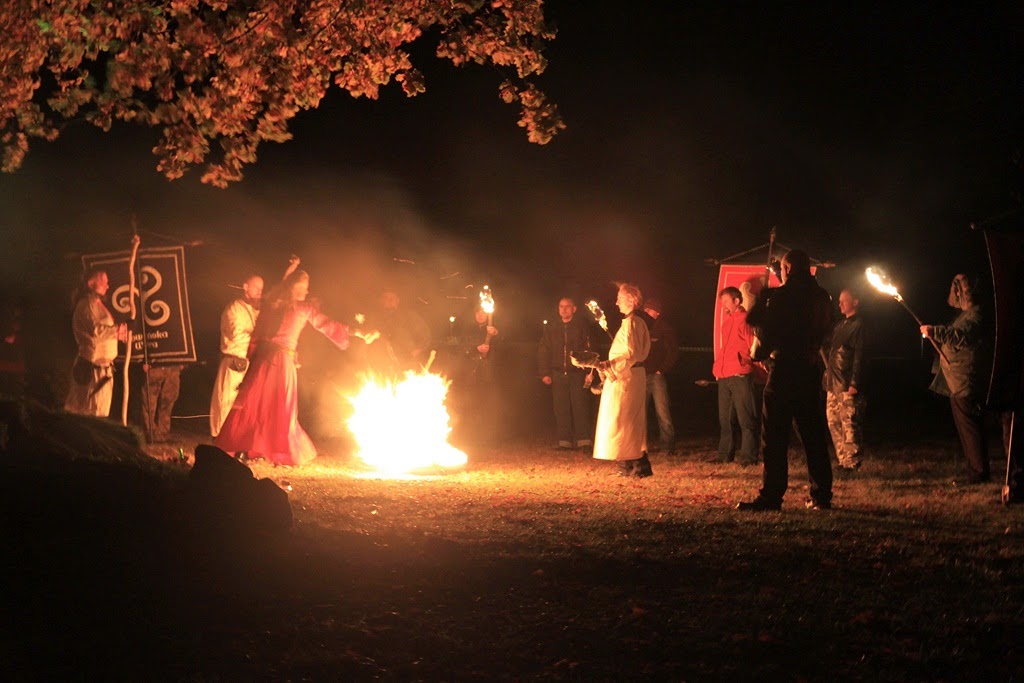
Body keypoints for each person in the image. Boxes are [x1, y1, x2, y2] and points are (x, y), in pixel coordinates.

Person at [216, 267, 374, 466]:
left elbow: (258, 335)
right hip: (282, 363)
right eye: (305, 287)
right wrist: (358, 331)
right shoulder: (303, 308)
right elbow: (327, 325)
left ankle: (243, 449)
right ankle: (277, 452)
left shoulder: (272, 305)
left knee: (255, 406)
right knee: (281, 409)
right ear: (297, 287)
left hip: (263, 361)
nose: (307, 291)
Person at [738, 250, 833, 510]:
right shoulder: (822, 296)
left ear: (788, 268)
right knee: (812, 434)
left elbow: (767, 335)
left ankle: (771, 496)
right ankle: (821, 494)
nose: (780, 272)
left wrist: (759, 325)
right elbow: (827, 329)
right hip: (810, 369)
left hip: (784, 370)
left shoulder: (782, 296)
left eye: (781, 268)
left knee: (775, 437)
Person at [574, 283, 652, 477]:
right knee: (623, 419)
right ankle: (630, 464)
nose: (616, 302)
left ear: (632, 300)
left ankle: (637, 465)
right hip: (626, 376)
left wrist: (605, 366)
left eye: (620, 297)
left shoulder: (634, 322)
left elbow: (631, 354)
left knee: (624, 419)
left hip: (627, 377)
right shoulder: (631, 322)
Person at [921, 273, 993, 484]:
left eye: (957, 290)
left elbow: (961, 336)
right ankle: (977, 470)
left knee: (971, 429)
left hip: (966, 382)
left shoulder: (976, 314)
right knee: (968, 429)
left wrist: (935, 331)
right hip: (957, 381)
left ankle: (978, 473)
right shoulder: (965, 314)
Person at [64, 267, 128, 418]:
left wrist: (121, 333)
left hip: (104, 368)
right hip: (93, 368)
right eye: (103, 282)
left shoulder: (98, 304)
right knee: (90, 409)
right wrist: (117, 330)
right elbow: (95, 332)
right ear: (91, 283)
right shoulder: (86, 305)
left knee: (99, 409)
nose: (108, 285)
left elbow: (105, 332)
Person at [538, 297, 596, 450]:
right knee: (560, 407)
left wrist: (590, 370)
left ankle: (584, 440)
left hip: (577, 373)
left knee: (580, 406)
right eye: (561, 306)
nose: (563, 309)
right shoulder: (552, 327)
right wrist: (545, 372)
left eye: (567, 307)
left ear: (574, 309)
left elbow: (590, 349)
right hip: (558, 373)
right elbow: (544, 349)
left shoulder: (582, 326)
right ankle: (564, 442)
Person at [210, 274, 264, 437]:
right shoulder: (234, 308)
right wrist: (257, 339)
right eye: (256, 288)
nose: (260, 292)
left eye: (261, 289)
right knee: (226, 402)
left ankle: (237, 439)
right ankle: (219, 437)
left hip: (250, 363)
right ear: (245, 287)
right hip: (234, 362)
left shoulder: (256, 311)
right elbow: (236, 335)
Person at [712, 287, 758, 466]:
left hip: (740, 374)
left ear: (737, 301)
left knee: (745, 418)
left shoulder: (745, 320)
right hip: (724, 375)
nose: (723, 305)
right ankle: (724, 455)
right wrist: (718, 368)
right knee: (725, 419)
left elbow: (753, 345)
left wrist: (746, 363)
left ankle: (748, 457)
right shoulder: (727, 322)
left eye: (725, 301)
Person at [824, 288, 867, 472]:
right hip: (834, 382)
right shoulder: (840, 325)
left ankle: (853, 461)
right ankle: (843, 460)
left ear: (855, 302)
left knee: (849, 422)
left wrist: (855, 382)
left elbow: (860, 355)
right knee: (833, 421)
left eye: (844, 300)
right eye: (839, 300)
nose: (840, 304)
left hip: (847, 381)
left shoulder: (859, 326)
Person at [640, 298, 678, 454]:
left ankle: (667, 446)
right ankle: (640, 446)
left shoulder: (664, 329)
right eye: (645, 310)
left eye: (649, 310)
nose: (646, 313)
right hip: (641, 375)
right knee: (639, 413)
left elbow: (672, 352)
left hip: (656, 377)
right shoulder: (641, 327)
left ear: (657, 312)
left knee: (663, 412)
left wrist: (662, 369)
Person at [372, 288, 431, 375]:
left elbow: (425, 338)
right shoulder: (375, 319)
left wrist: (410, 355)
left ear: (397, 301)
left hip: (408, 368)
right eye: (386, 298)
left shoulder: (410, 316)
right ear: (381, 301)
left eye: (392, 298)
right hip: (382, 367)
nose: (389, 301)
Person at [141, 362, 186, 443]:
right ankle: (150, 433)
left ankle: (162, 434)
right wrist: (144, 362)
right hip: (154, 366)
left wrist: (182, 363)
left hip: (172, 367)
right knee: (149, 402)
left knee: (168, 400)